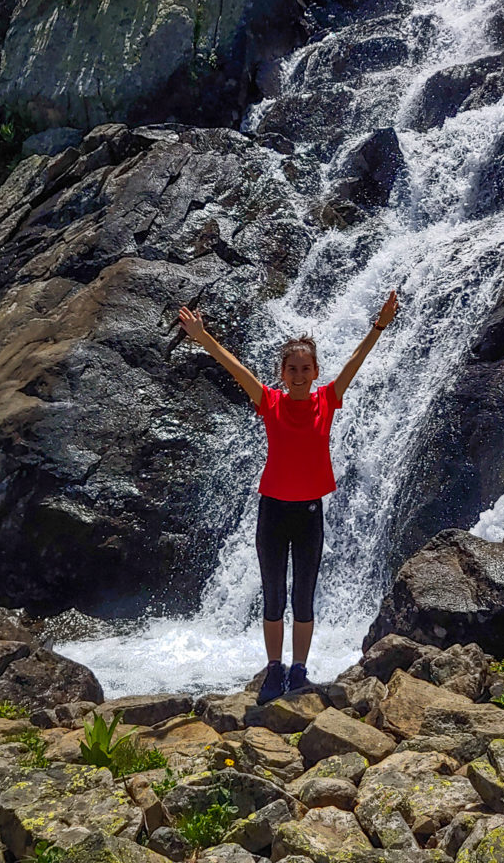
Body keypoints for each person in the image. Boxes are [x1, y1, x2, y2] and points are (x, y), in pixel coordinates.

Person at [177, 289, 399, 701]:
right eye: (292, 368)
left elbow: (356, 361)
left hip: (310, 513)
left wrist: (380, 324)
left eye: (305, 368)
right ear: (282, 372)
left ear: (315, 371)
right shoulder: (270, 401)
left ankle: (299, 670)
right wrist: (202, 337)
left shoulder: (328, 401)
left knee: (304, 596)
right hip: (273, 512)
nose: (298, 374)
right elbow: (234, 367)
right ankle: (274, 669)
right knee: (274, 594)